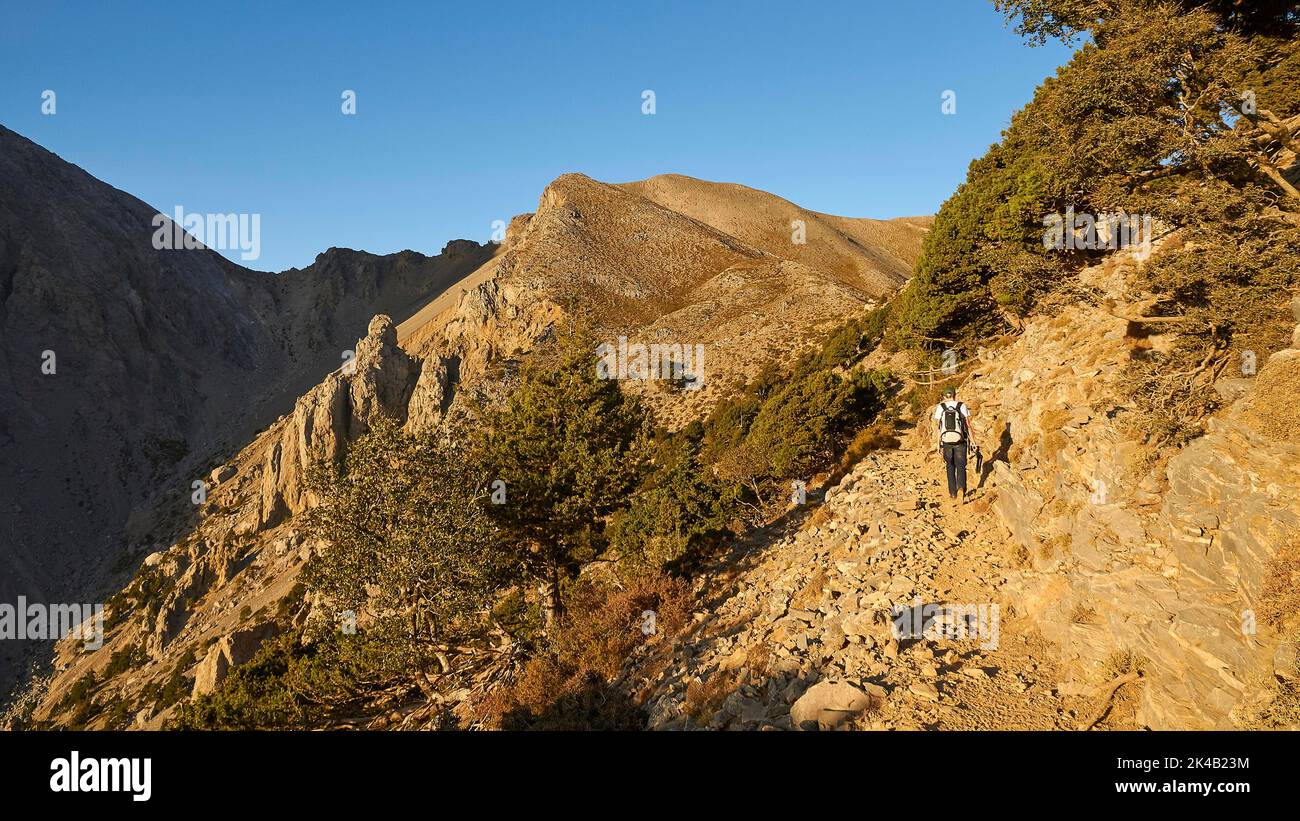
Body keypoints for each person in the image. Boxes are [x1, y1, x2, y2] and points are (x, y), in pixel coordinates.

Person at [933, 387, 973, 503]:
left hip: (946, 442)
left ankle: (952, 493)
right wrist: (973, 441)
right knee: (961, 466)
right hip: (960, 441)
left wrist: (938, 444)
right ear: (955, 395)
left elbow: (939, 428)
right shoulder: (961, 406)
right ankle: (961, 488)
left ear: (944, 396)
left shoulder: (941, 407)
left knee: (950, 465)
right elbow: (968, 425)